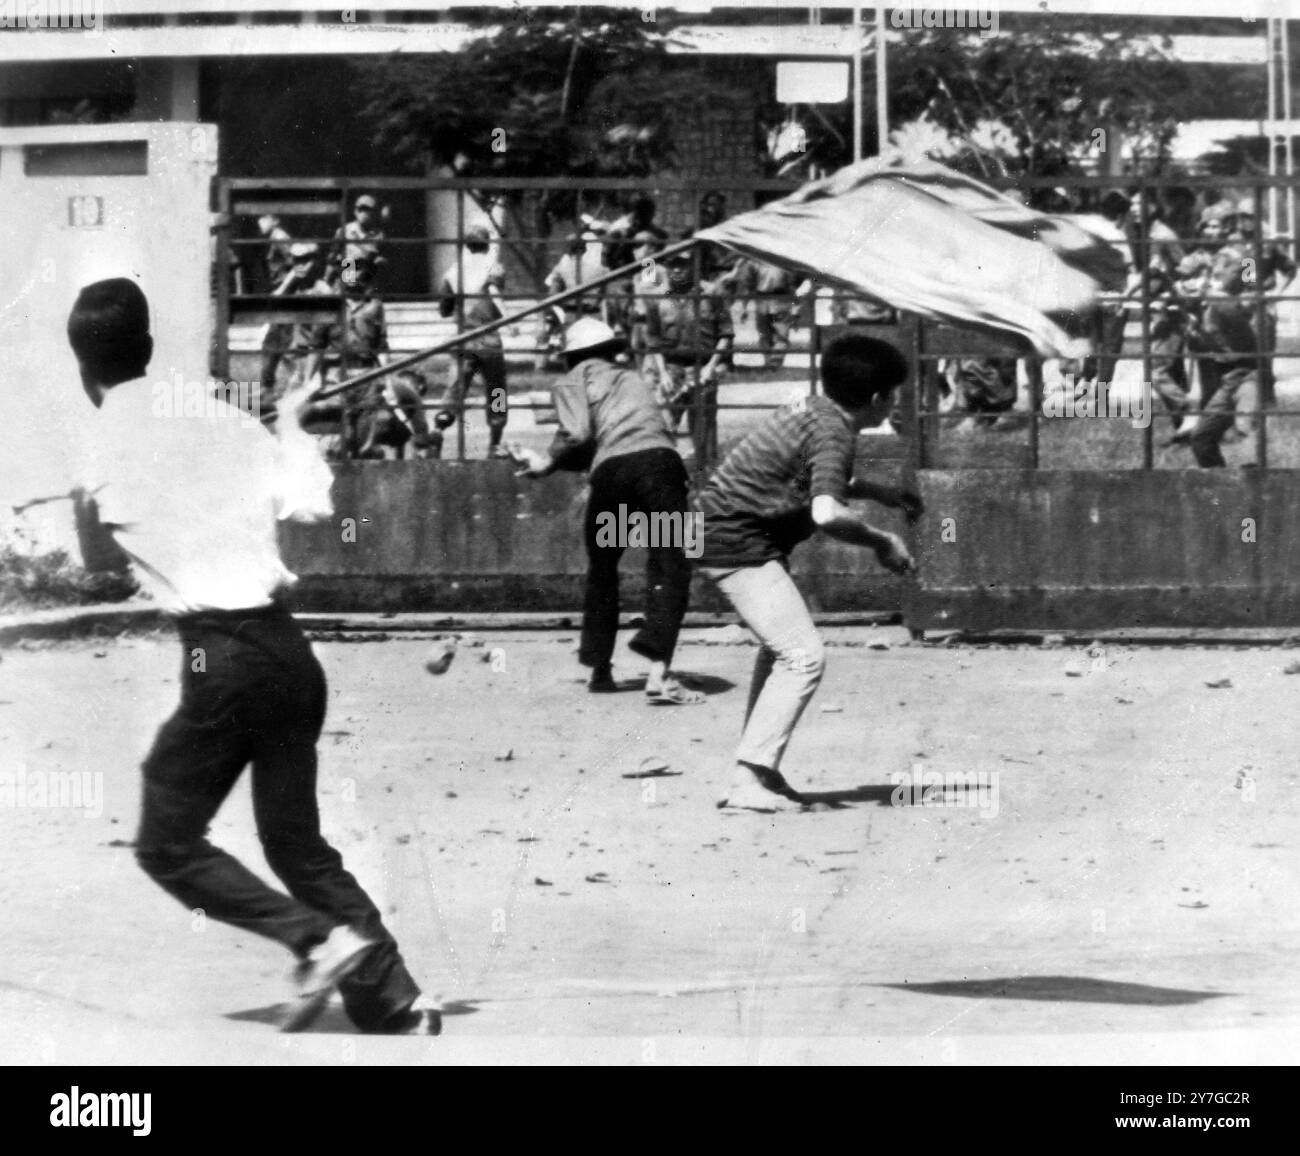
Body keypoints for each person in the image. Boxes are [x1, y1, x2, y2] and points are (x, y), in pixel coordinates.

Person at [67, 278, 440, 1034]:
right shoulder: (224, 421)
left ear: (84, 368)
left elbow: (98, 555)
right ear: (147, 348)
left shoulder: (101, 445)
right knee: (295, 842)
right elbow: (311, 503)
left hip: (219, 658)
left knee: (167, 842)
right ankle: (391, 998)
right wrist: (293, 423)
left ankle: (316, 939)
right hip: (289, 654)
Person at [695, 333, 919, 812]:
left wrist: (879, 492)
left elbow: (820, 475)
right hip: (733, 542)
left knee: (784, 652)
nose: (895, 402)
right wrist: (883, 541)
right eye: (894, 394)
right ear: (877, 400)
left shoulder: (815, 409)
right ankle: (748, 779)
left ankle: (756, 772)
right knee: (803, 657)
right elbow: (825, 512)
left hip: (719, 531)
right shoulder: (834, 430)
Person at [510, 319, 702, 704]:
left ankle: (600, 669)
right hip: (662, 468)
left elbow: (579, 437)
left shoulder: (570, 380)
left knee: (603, 569)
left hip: (613, 476)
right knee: (671, 564)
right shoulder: (633, 379)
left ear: (572, 356)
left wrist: (545, 462)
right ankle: (658, 671)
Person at [643, 247, 734, 462]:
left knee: (704, 428)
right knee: (662, 426)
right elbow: (653, 341)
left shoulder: (712, 293)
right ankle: (663, 472)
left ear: (692, 267)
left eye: (682, 265)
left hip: (702, 368)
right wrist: (663, 373)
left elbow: (726, 333)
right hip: (671, 369)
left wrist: (712, 366)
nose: (676, 270)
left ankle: (706, 476)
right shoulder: (657, 299)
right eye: (672, 265)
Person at [436, 224, 510, 459]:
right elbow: (498, 300)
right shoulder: (495, 268)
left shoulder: (454, 271)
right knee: (497, 390)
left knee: (455, 387)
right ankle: (495, 439)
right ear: (487, 245)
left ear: (466, 246)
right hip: (489, 339)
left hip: (464, 338)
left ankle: (439, 425)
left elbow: (445, 309)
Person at [327, 193, 387, 286]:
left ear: (374, 212)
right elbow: (332, 258)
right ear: (355, 211)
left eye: (367, 210)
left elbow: (382, 259)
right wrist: (327, 279)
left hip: (366, 280)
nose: (363, 214)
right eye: (360, 210)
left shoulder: (379, 235)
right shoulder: (344, 231)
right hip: (345, 278)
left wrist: (376, 261)